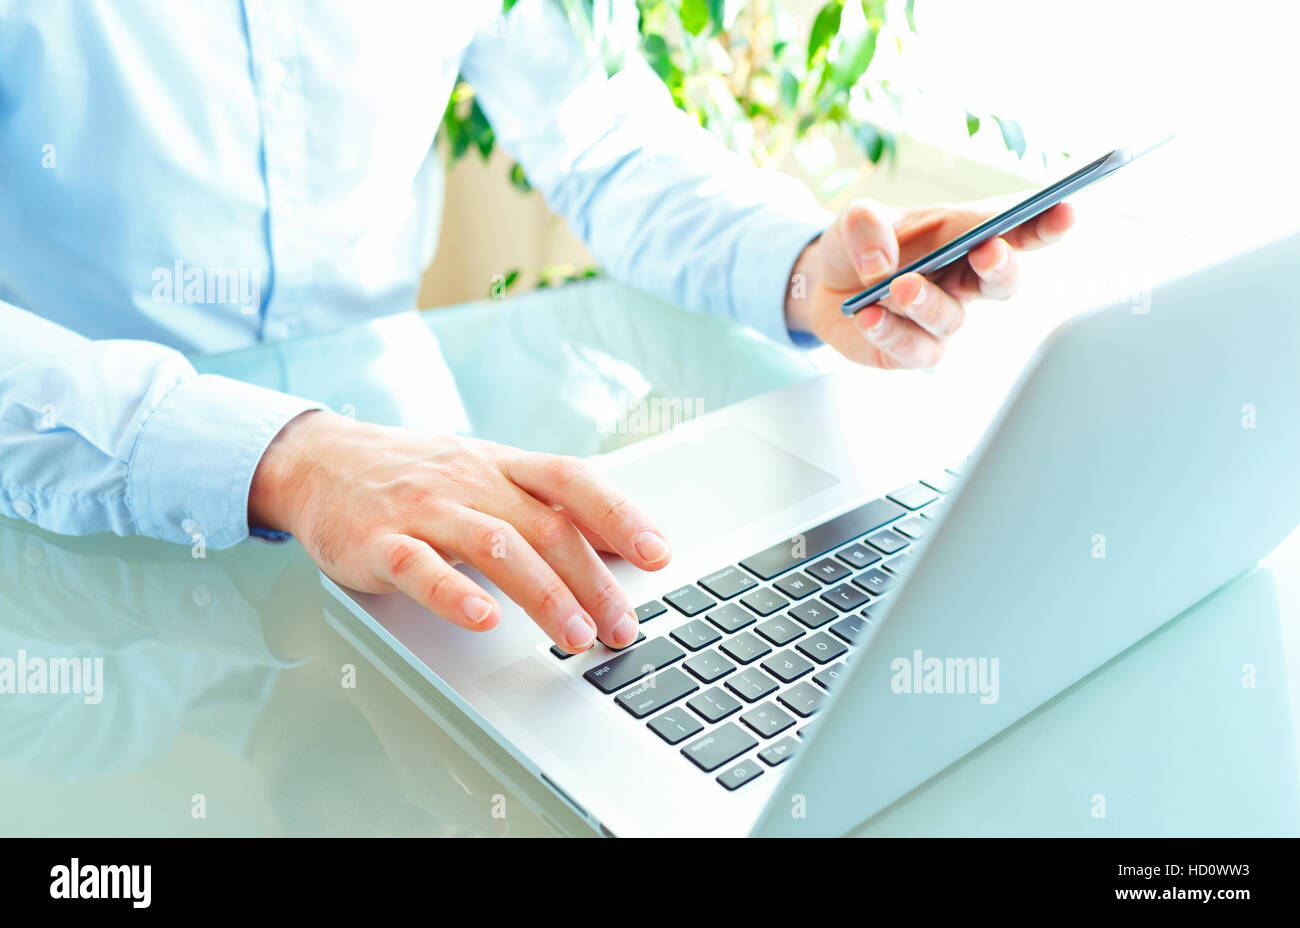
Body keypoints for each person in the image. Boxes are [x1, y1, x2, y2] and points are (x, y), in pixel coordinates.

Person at [0, 0, 1073, 656]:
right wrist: (287, 455)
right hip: (77, 524)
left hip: (423, 496)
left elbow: (597, 136)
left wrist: (803, 269)